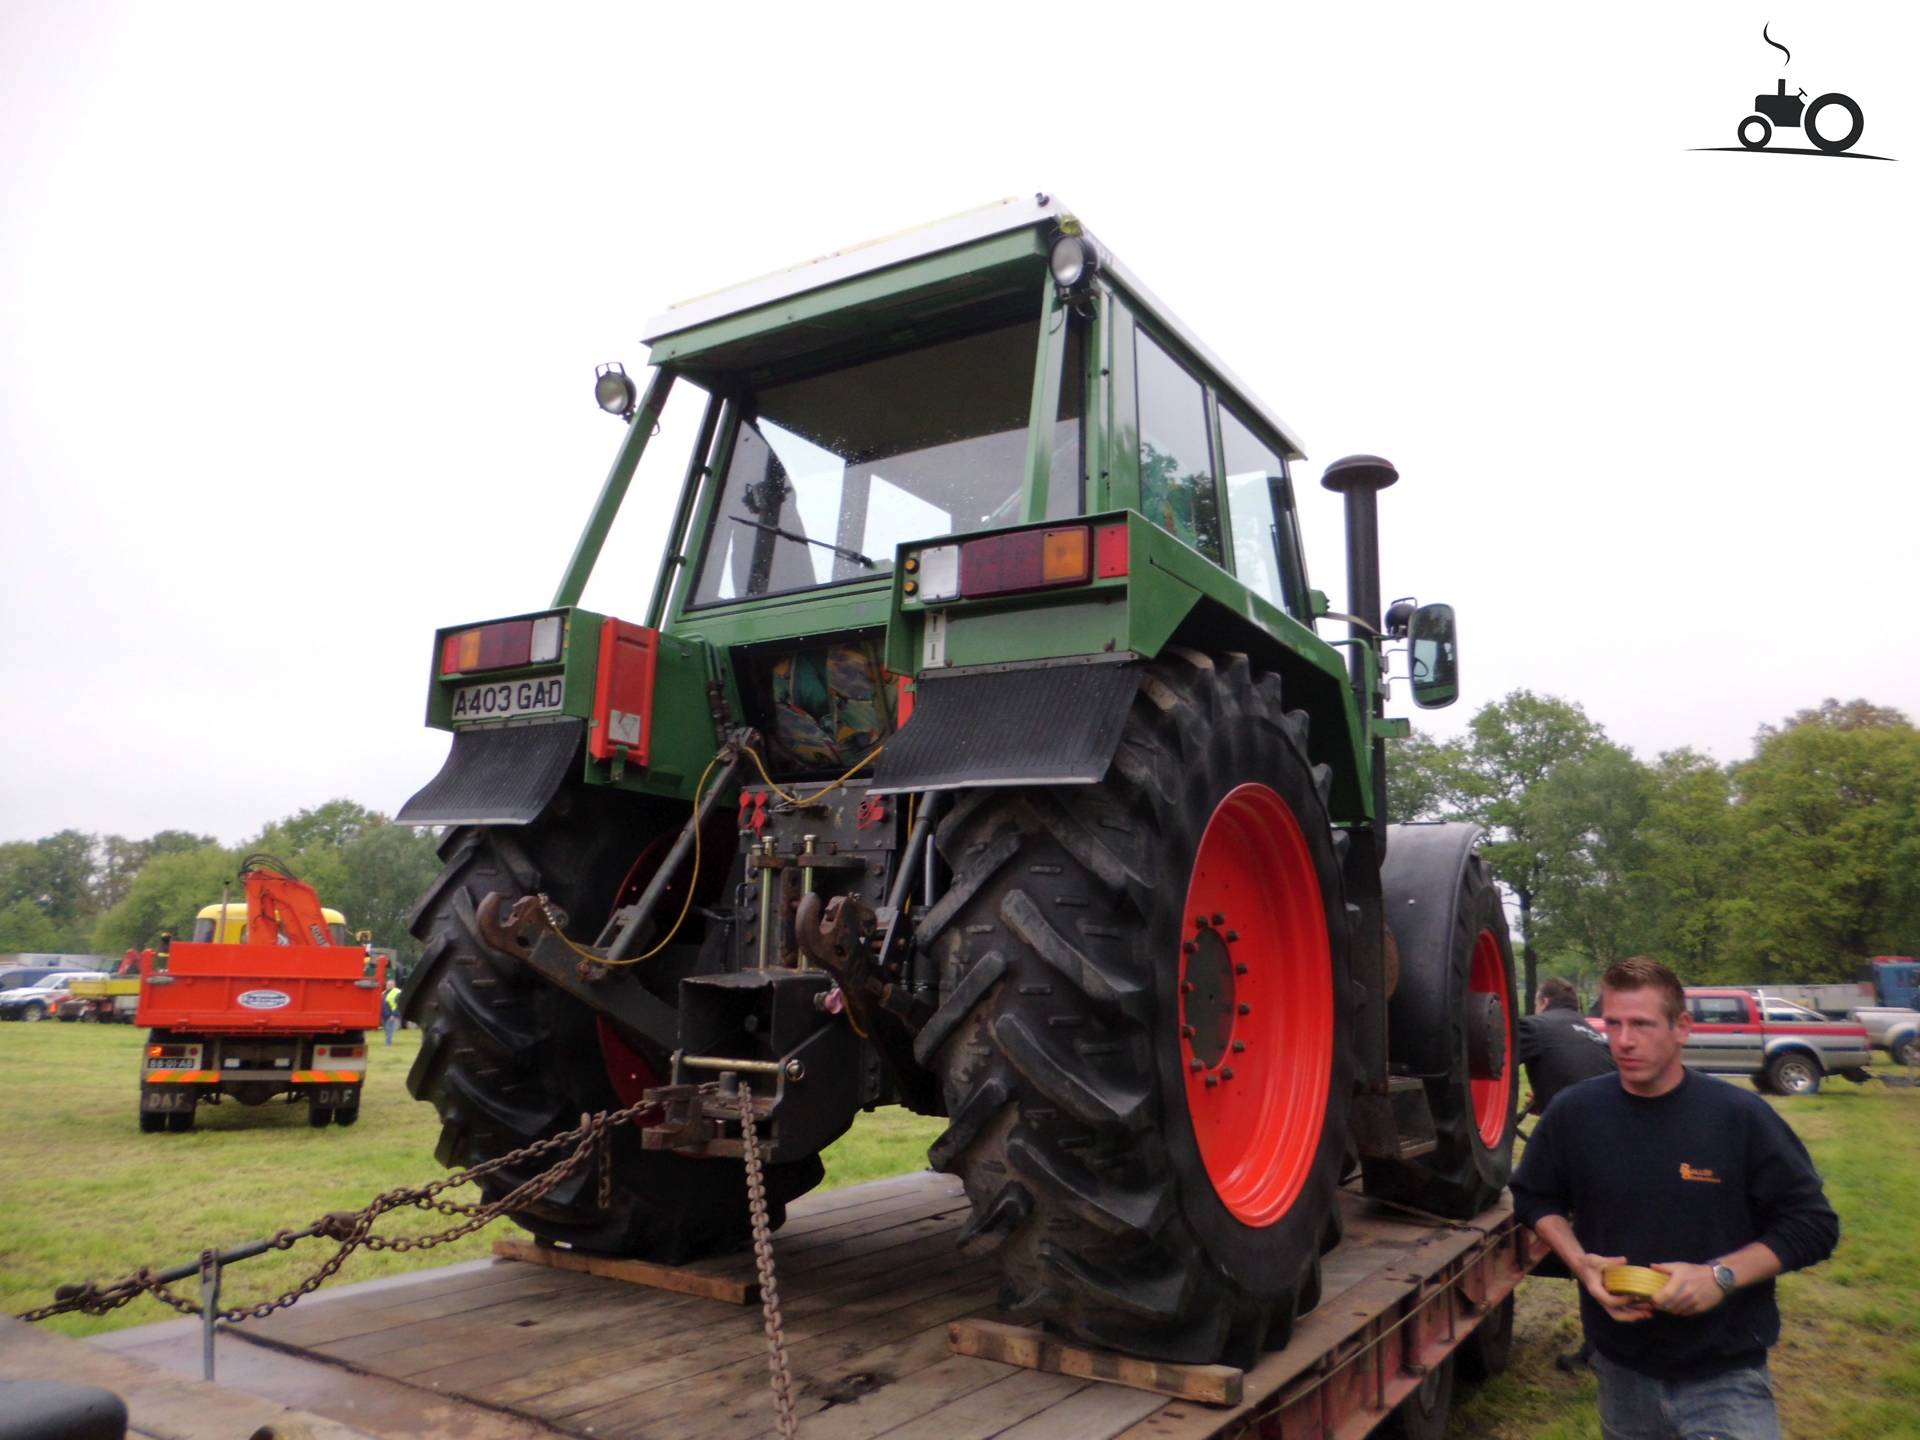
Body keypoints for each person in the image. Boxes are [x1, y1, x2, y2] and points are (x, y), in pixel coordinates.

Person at [1510, 957, 1838, 1440]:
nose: (1623, 1041)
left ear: (1682, 1027)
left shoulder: (1737, 1117)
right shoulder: (1575, 1113)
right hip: (1621, 1370)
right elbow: (1534, 1196)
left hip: (1724, 1376)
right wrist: (1580, 1263)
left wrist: (1718, 1277)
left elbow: (1812, 1225)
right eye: (1613, 1024)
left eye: (1641, 1024)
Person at [1515, 975, 1619, 1372]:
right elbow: (1581, 1077)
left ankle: (1599, 1349)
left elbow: (1490, 1055)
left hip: (1582, 1144)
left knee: (1590, 1243)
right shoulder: (1592, 1034)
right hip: (1616, 1136)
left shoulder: (1537, 1026)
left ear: (1542, 1000)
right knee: (1605, 1236)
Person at [1518, 976, 1618, 1115]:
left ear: (1544, 1002)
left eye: (1536, 1004)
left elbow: (1493, 1057)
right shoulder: (1594, 1034)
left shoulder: (1535, 1026)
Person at [383, 978, 402, 1046]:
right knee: (386, 1030)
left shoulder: (397, 992)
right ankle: (388, 1041)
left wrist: (394, 1015)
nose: (388, 986)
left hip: (392, 1015)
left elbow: (398, 1005)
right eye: (387, 984)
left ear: (394, 985)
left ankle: (388, 1044)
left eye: (390, 985)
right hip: (384, 1014)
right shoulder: (384, 992)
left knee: (389, 1029)